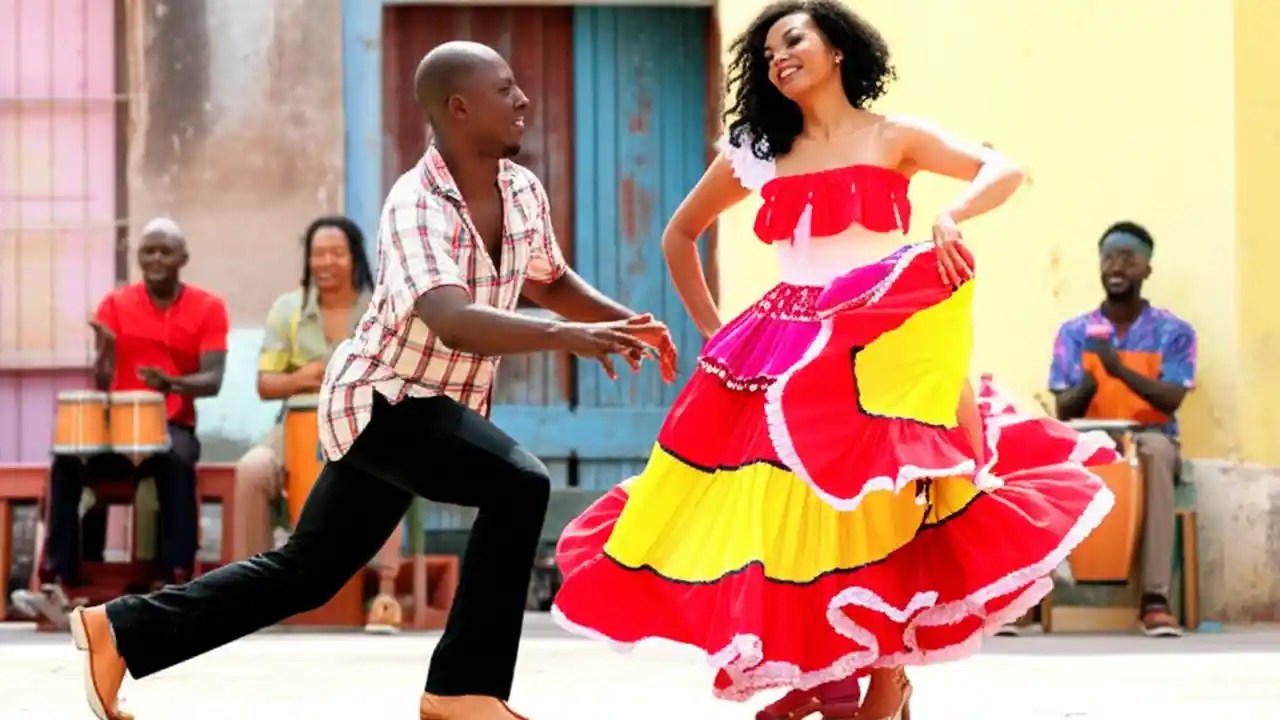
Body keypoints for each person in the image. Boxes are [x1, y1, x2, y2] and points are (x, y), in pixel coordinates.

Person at [68, 41, 676, 720]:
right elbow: (449, 318)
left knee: (307, 573)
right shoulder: (415, 203)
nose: (523, 100)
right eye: (505, 89)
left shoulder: (520, 190)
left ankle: (120, 629)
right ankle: (463, 691)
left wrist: (627, 323)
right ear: (459, 107)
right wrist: (568, 339)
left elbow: (550, 278)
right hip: (384, 400)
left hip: (432, 404)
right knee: (519, 484)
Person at [551, 3, 1117, 719]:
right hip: (785, 350)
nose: (778, 56)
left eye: (793, 39)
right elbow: (679, 236)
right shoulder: (759, 147)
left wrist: (952, 215)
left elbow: (1000, 168)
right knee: (796, 518)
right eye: (765, 53)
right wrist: (716, 333)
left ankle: (885, 676)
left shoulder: (893, 136)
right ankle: (829, 674)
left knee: (891, 511)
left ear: (838, 49)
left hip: (882, 342)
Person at [231, 215, 406, 633]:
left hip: (367, 422)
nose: (326, 262)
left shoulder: (380, 306)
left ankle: (384, 594)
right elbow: (265, 383)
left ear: (355, 257)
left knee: (398, 462)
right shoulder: (287, 310)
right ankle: (250, 597)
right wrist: (301, 378)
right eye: (318, 254)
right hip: (296, 424)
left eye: (336, 253)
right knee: (252, 470)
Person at [41, 218, 228, 596]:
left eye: (165, 250)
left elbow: (212, 380)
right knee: (66, 461)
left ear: (183, 258)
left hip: (172, 425)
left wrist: (171, 383)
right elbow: (102, 380)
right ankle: (61, 578)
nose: (156, 258)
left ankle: (173, 574)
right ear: (138, 257)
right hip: (117, 429)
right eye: (148, 250)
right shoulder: (115, 304)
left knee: (177, 462)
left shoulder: (208, 307)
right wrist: (107, 349)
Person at [1049, 220, 1196, 638]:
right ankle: (1029, 600)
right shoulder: (1075, 332)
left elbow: (1171, 399)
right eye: (1109, 256)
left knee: (1153, 453)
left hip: (1152, 435)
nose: (1117, 266)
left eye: (1129, 258)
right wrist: (1091, 381)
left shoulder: (1174, 332)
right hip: (1092, 436)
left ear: (1147, 269)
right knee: (1038, 456)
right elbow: (1064, 408)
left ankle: (1155, 601)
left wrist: (1116, 368)